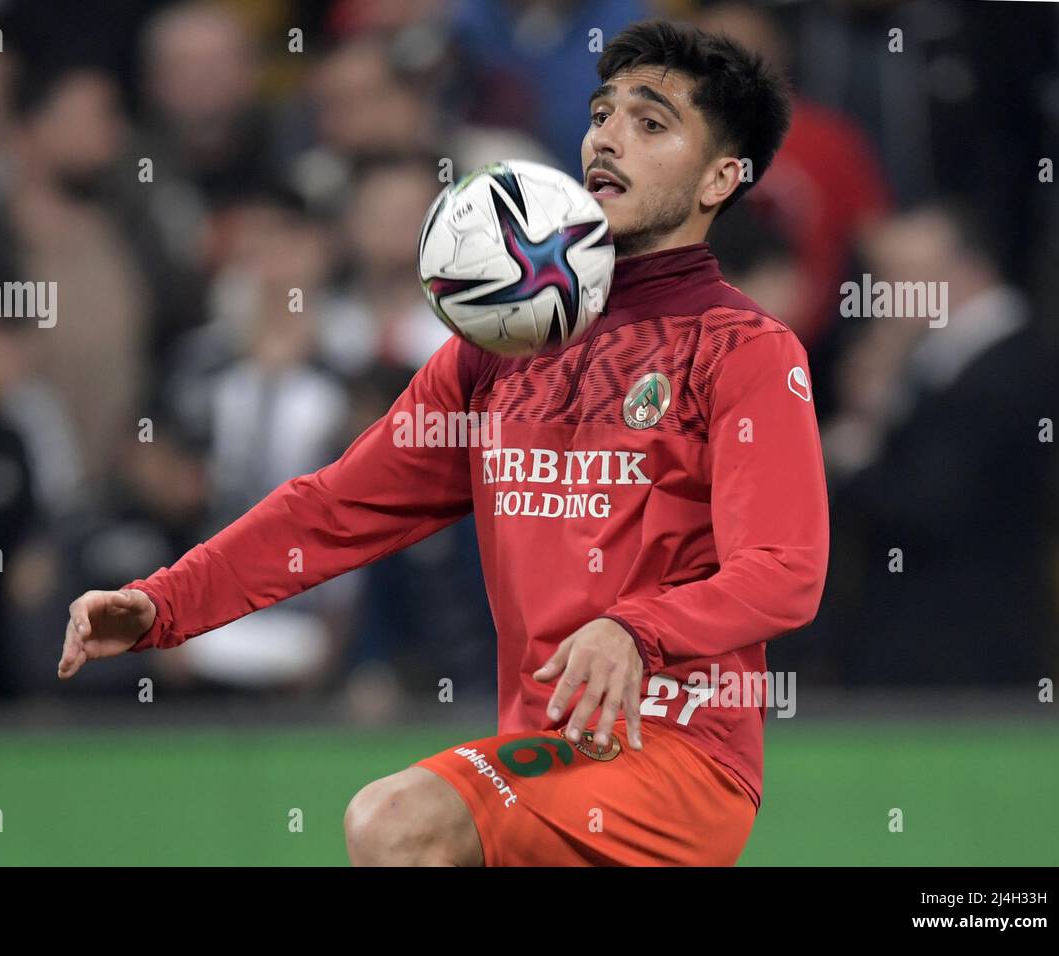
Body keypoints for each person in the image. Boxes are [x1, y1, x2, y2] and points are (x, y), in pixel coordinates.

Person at [58, 19, 829, 867]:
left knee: (395, 822)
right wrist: (167, 604)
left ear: (723, 176)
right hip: (543, 755)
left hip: (678, 757)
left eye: (650, 123)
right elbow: (337, 508)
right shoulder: (500, 343)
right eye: (602, 112)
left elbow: (786, 572)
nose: (608, 136)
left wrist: (636, 632)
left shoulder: (744, 348)